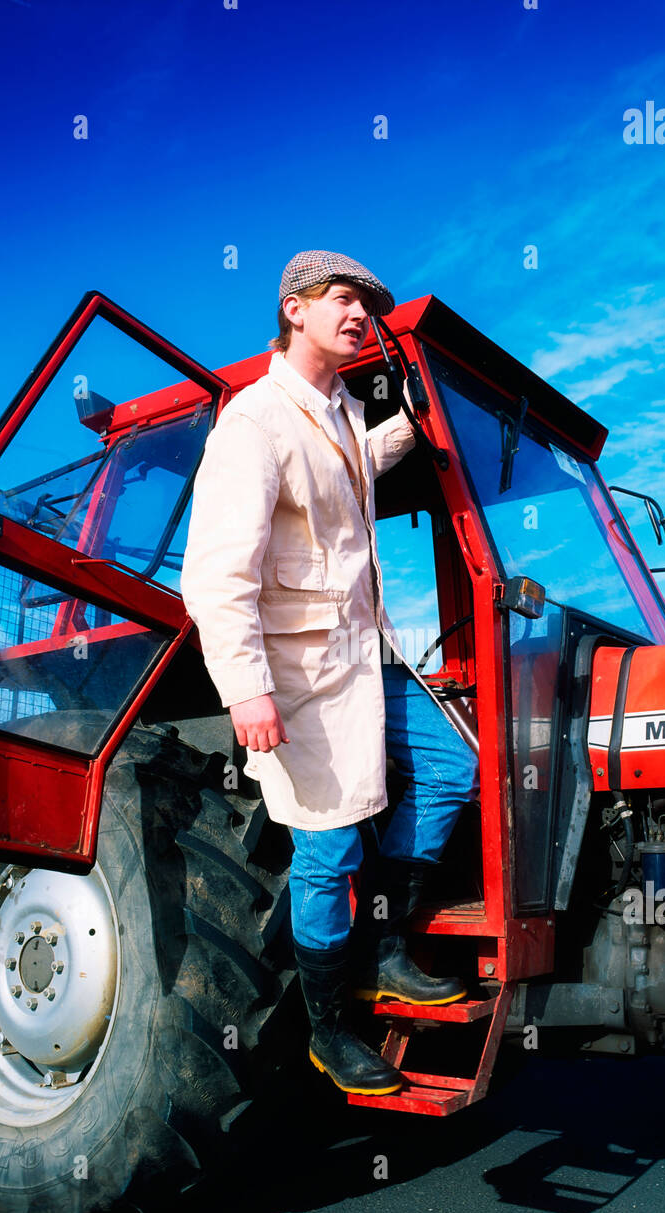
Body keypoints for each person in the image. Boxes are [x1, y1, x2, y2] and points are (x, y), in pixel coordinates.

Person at [181, 249, 479, 1097]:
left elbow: (352, 464)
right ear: (296, 310)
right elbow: (214, 572)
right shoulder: (254, 420)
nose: (359, 314)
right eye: (343, 300)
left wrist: (413, 426)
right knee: (329, 846)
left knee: (452, 765)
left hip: (362, 656)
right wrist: (245, 689)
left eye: (365, 305)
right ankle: (330, 1029)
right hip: (296, 672)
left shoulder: (342, 411)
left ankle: (385, 952)